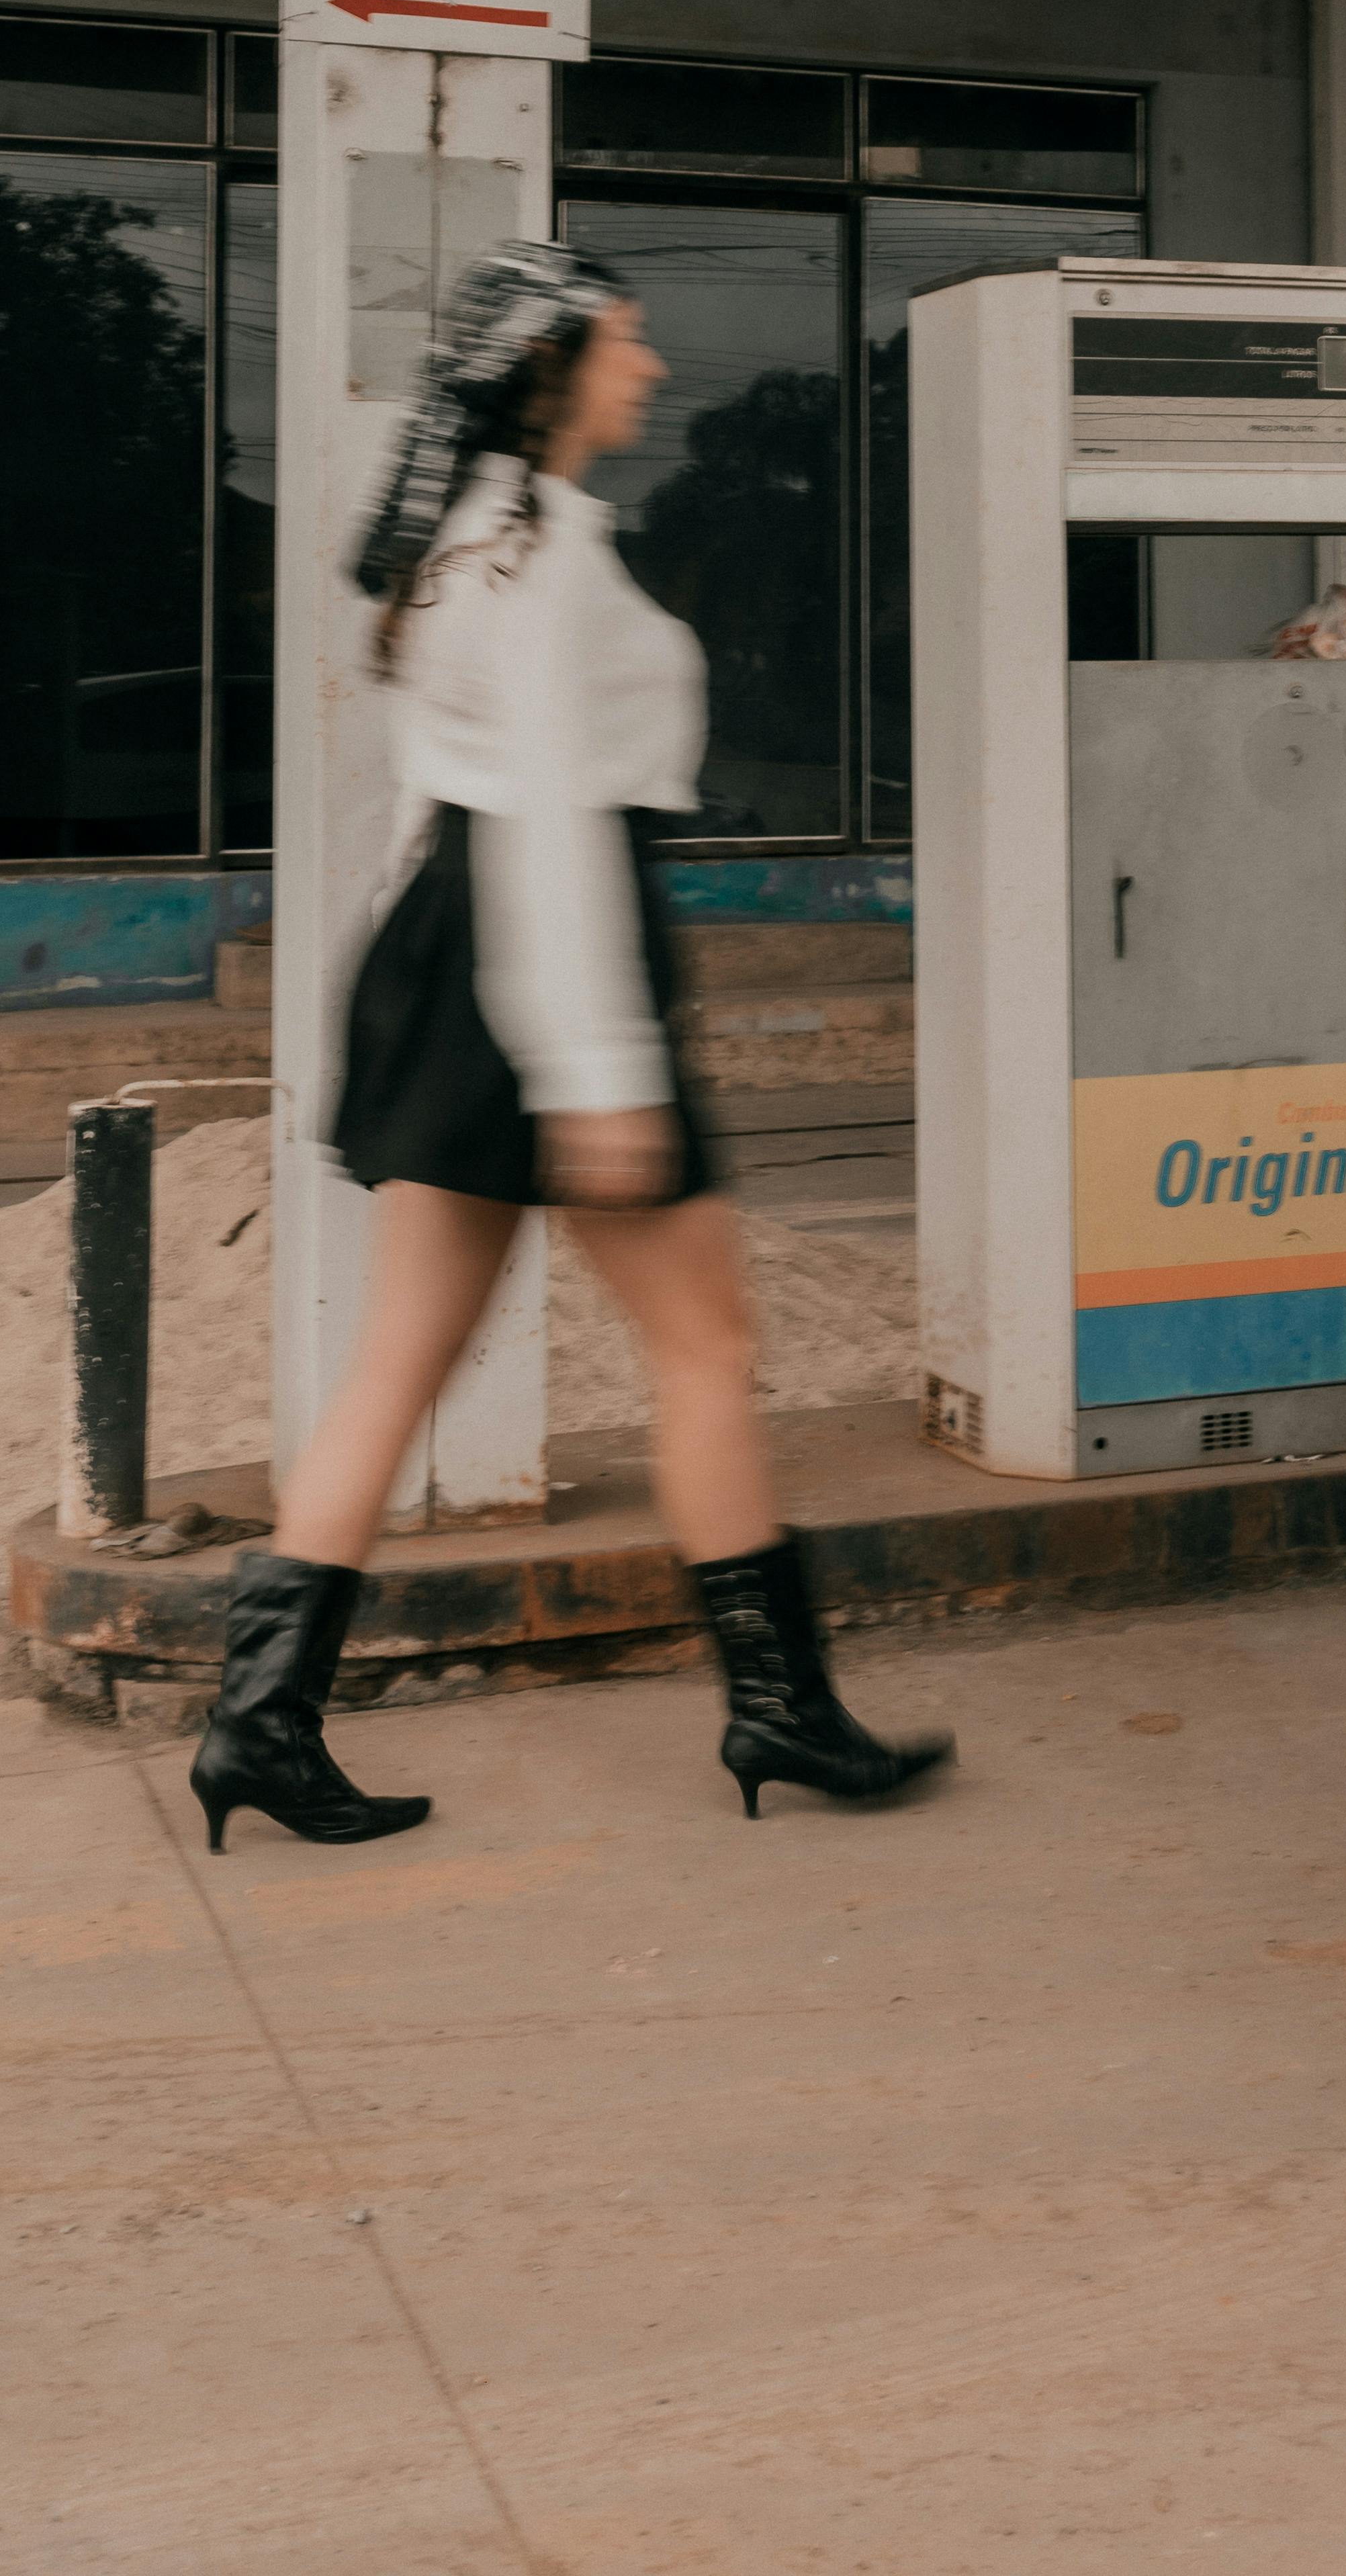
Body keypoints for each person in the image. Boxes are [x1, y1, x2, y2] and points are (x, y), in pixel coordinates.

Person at [191, 242, 952, 1851]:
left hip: (452, 951)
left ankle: (257, 1723)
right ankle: (781, 1708)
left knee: (401, 1361)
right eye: (629, 341)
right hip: (545, 951)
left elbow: (440, 802)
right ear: (550, 368)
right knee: (707, 1348)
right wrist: (595, 1073)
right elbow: (543, 829)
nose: (653, 368)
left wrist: (429, 996)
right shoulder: (541, 560)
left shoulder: (463, 550)